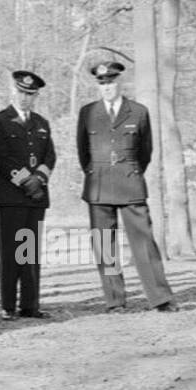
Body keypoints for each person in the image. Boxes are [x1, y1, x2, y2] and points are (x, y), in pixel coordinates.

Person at [76, 55, 178, 312]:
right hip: (98, 186)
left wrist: (129, 171)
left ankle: (160, 298)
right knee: (104, 245)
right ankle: (115, 300)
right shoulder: (88, 113)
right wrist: (96, 173)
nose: (107, 87)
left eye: (111, 82)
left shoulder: (139, 112)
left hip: (130, 183)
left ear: (120, 83)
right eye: (102, 83)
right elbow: (82, 153)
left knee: (144, 243)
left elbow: (146, 151)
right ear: (98, 86)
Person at [0, 70, 56, 319]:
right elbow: (0, 155)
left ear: (36, 96)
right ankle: (8, 305)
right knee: (10, 253)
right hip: (10, 196)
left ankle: (30, 305)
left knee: (29, 253)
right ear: (12, 91)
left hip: (35, 197)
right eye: (20, 92)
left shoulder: (41, 123)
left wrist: (38, 179)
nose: (24, 98)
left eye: (30, 94)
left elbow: (49, 156)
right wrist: (23, 179)